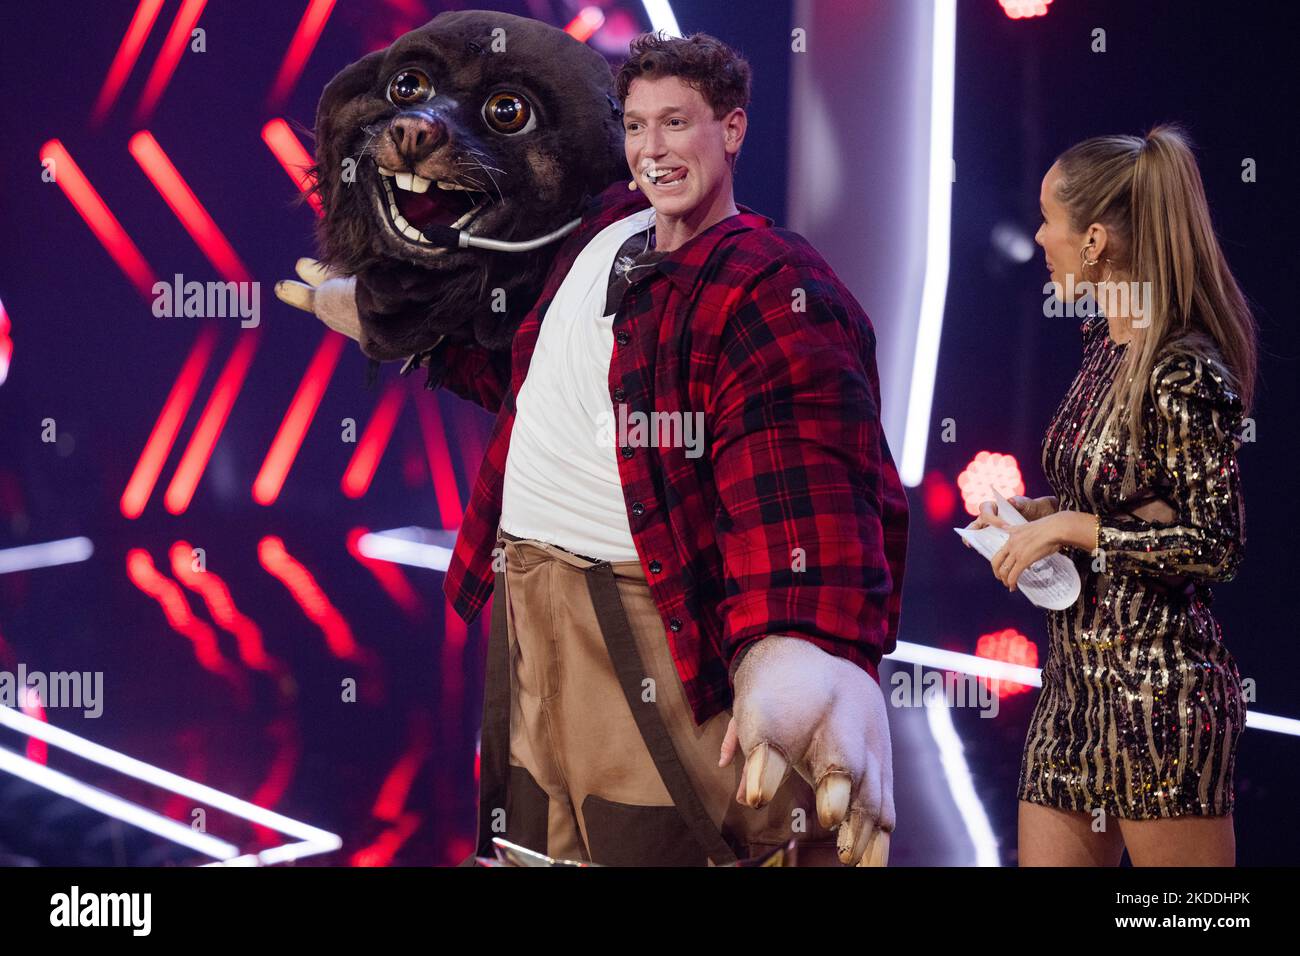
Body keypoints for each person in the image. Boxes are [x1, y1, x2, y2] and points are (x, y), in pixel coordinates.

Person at [286, 29, 907, 866]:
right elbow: (539, 381)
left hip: (647, 623)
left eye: (677, 124)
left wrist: (803, 641)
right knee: (543, 847)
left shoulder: (762, 275)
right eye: (637, 127)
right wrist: (395, 328)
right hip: (536, 609)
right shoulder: (607, 238)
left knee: (669, 839)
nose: (654, 150)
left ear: (731, 130)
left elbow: (800, 463)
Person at [971, 124, 1256, 866]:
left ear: (1095, 240)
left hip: (1160, 700)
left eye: (1049, 219)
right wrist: (1039, 516)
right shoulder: (1103, 344)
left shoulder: (1184, 370)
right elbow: (1114, 501)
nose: (1038, 237)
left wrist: (1075, 527)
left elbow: (1216, 543)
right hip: (1071, 697)